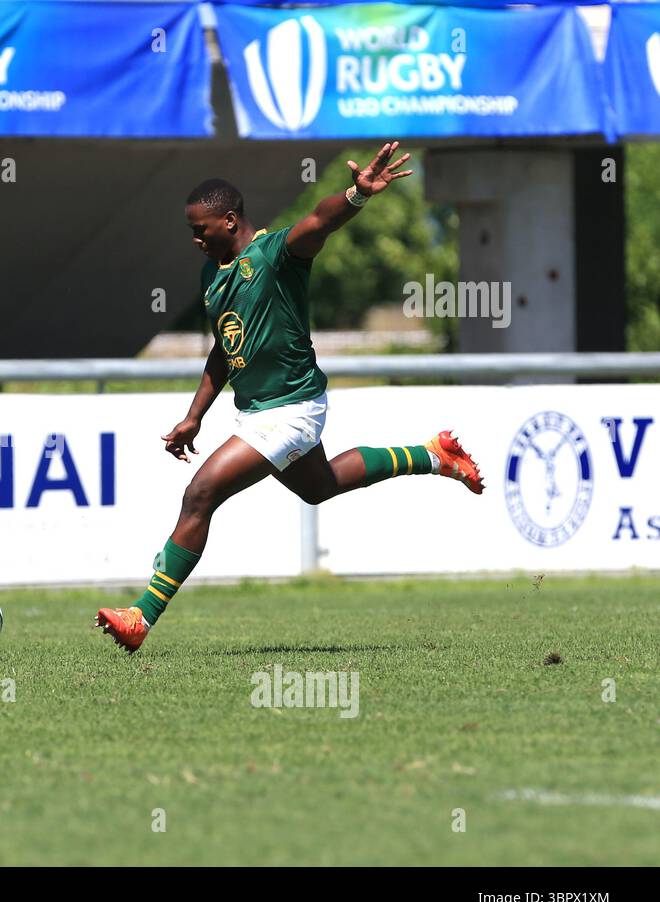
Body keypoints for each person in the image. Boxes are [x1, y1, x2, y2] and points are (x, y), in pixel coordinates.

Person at [95, 143, 483, 653]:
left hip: (293, 408)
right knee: (319, 486)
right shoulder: (213, 277)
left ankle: (141, 618)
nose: (194, 239)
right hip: (259, 411)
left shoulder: (275, 254)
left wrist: (356, 195)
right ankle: (434, 456)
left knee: (200, 494)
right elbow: (224, 350)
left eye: (200, 229)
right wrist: (194, 417)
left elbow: (317, 222)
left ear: (230, 220)